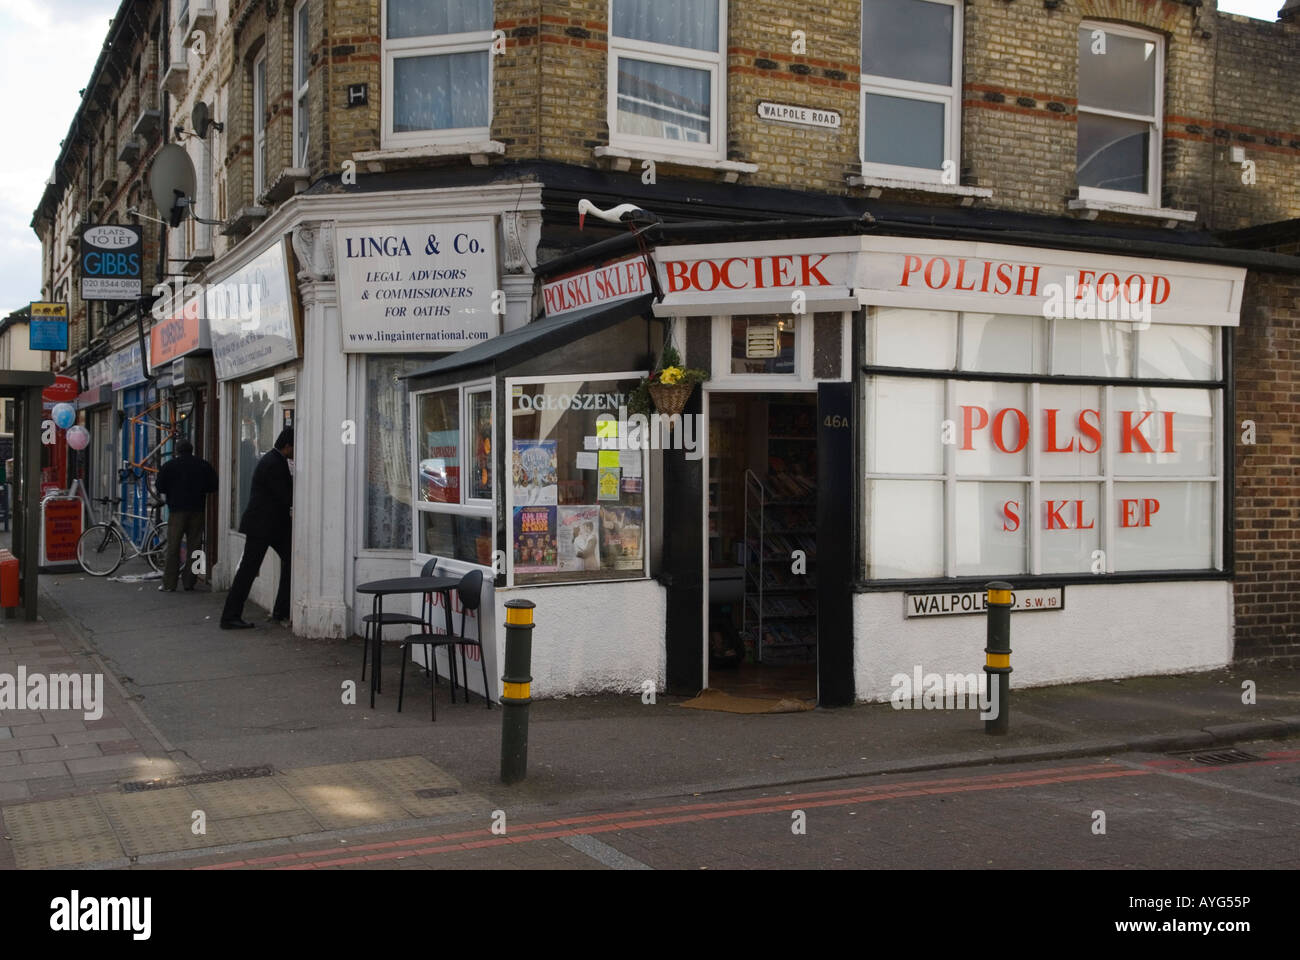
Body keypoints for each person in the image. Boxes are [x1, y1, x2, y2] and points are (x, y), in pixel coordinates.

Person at [221, 427, 293, 629]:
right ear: (287, 446)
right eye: (295, 447)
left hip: (269, 525)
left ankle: (281, 610)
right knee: (248, 570)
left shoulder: (274, 460)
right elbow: (285, 496)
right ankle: (230, 616)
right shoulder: (274, 463)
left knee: (288, 560)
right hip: (263, 525)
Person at [154, 439, 219, 592]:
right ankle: (191, 582)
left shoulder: (169, 466)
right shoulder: (203, 464)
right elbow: (213, 485)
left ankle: (169, 583)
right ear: (192, 449)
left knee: (173, 547)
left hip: (177, 511)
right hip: (198, 509)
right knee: (196, 547)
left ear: (177, 451)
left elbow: (159, 486)